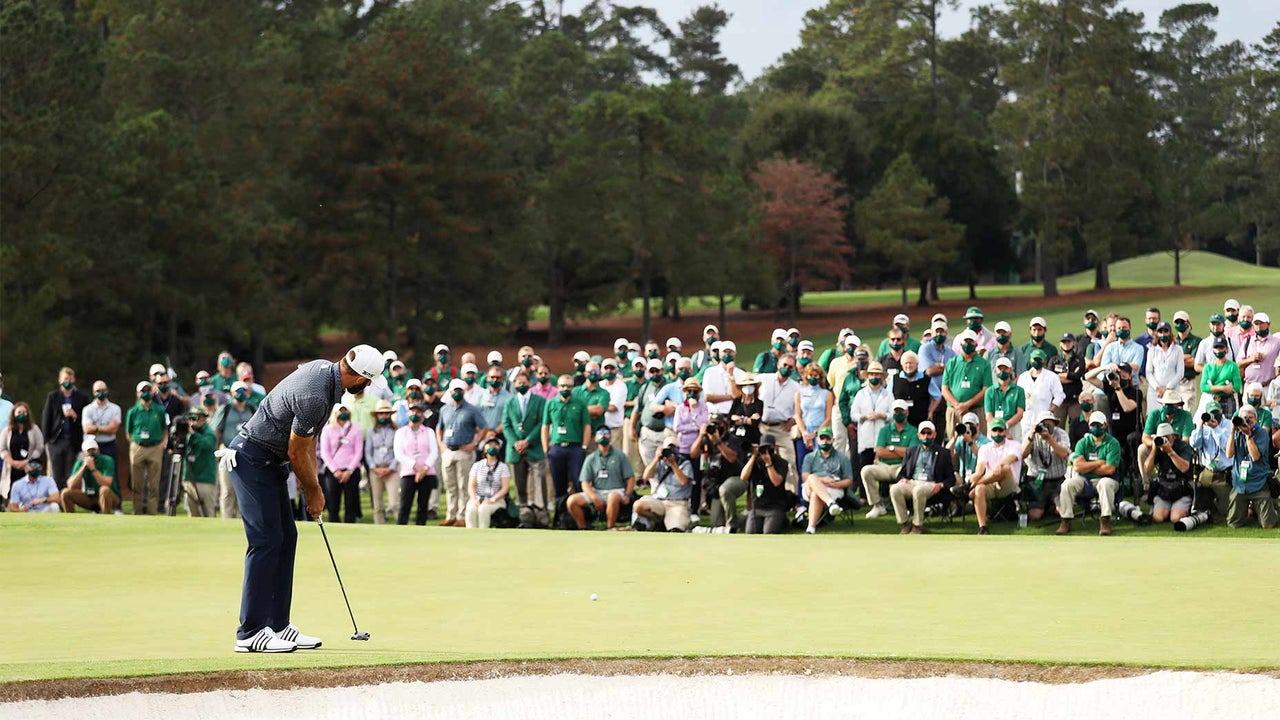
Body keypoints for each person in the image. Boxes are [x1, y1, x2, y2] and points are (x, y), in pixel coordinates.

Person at [221, 343, 386, 653]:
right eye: (368, 382)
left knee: (286, 538)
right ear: (358, 377)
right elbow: (297, 451)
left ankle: (278, 625)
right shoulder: (316, 395)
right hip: (252, 459)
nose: (366, 388)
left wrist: (314, 488)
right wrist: (314, 491)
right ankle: (250, 631)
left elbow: (305, 444)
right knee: (266, 541)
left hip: (269, 461)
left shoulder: (325, 373)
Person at [1058, 411, 1123, 536]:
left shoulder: (1113, 443)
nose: (1096, 428)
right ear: (1089, 426)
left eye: (1099, 425)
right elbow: (1077, 466)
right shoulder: (1083, 443)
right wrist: (1099, 463)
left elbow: (1109, 469)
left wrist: (1086, 466)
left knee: (1105, 483)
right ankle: (1066, 520)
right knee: (1067, 484)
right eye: (1093, 425)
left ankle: (1105, 520)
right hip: (1085, 480)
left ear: (1105, 425)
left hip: (1108, 479)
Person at [712, 373, 761, 529]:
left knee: (749, 479)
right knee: (715, 522)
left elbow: (755, 418)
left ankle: (743, 517)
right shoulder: (736, 403)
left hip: (749, 447)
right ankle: (740, 519)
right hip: (732, 449)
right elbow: (732, 417)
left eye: (751, 385)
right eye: (745, 385)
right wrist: (745, 419)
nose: (748, 388)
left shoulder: (758, 403)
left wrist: (743, 419)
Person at [889, 420, 955, 534]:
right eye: (923, 433)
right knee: (895, 489)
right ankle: (904, 523)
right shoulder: (911, 451)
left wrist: (941, 484)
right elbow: (902, 472)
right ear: (918, 435)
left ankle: (917, 525)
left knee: (919, 491)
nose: (926, 436)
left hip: (931, 483)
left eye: (929, 433)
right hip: (912, 482)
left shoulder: (943, 453)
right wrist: (902, 479)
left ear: (934, 434)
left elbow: (951, 477)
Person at [438, 378, 487, 526]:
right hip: (448, 451)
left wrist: (475, 443)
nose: (457, 393)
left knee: (463, 485)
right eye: (454, 391)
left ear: (463, 392)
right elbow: (439, 428)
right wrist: (441, 445)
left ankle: (462, 515)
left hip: (464, 451)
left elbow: (484, 428)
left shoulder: (472, 409)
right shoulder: (444, 409)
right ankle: (451, 515)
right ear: (450, 392)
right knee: (450, 485)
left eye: (460, 390)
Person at [503, 370, 550, 517]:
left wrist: (528, 441)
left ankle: (540, 512)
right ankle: (523, 514)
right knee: (519, 483)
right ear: (514, 384)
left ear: (529, 383)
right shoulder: (509, 402)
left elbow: (542, 422)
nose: (521, 385)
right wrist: (516, 442)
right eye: (519, 383)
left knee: (539, 481)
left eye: (524, 382)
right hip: (516, 450)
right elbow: (506, 424)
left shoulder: (540, 401)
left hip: (534, 447)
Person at [566, 427, 634, 530]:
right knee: (572, 501)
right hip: (597, 492)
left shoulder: (620, 456)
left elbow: (630, 478)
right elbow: (585, 482)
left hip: (616, 491)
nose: (603, 435)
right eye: (600, 433)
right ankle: (583, 528)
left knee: (613, 496)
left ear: (610, 436)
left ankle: (609, 527)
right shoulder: (591, 458)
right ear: (595, 438)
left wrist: (628, 495)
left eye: (606, 433)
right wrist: (594, 497)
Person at [860, 398, 918, 518]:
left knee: (909, 476)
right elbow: (879, 451)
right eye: (895, 411)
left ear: (907, 412)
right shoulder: (885, 430)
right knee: (866, 471)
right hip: (884, 466)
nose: (898, 414)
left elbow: (911, 453)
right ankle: (877, 505)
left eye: (901, 411)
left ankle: (905, 508)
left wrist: (891, 448)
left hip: (902, 466)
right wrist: (901, 451)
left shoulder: (913, 431)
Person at [964, 418, 1021, 535]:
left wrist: (998, 466)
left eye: (1000, 430)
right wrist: (975, 477)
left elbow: (1011, 459)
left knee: (1004, 468)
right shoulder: (985, 448)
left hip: (1009, 485)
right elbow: (980, 470)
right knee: (980, 488)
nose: (997, 433)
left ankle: (970, 486)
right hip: (990, 483)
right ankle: (983, 527)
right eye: (994, 430)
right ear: (990, 432)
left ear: (1005, 431)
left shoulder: (1014, 445)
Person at [1225, 403, 1277, 529]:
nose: (1247, 421)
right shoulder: (1236, 433)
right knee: (1234, 524)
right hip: (1240, 483)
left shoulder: (1262, 433)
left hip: (1259, 482)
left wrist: (1249, 435)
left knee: (1268, 525)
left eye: (1250, 418)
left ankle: (1272, 508)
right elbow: (1228, 454)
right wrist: (1232, 432)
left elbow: (1255, 457)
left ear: (1256, 419)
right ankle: (1250, 509)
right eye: (1244, 418)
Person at [543, 374, 591, 504]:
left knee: (578, 482)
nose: (566, 388)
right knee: (559, 484)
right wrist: (546, 448)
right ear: (558, 387)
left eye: (569, 386)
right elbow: (545, 426)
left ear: (573, 388)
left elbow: (586, 426)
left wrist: (584, 447)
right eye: (563, 386)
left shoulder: (580, 403)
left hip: (575, 447)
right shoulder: (551, 403)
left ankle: (582, 514)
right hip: (557, 447)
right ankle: (560, 516)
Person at [212, 381, 257, 519]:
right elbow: (217, 430)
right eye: (237, 391)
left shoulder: (251, 409)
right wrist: (217, 448)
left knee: (244, 489)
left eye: (243, 390)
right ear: (231, 393)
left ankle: (242, 518)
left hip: (246, 453)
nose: (240, 394)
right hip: (227, 450)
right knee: (227, 490)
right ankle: (227, 519)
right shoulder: (225, 409)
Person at [40, 366, 90, 488]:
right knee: (56, 474)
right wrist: (47, 441)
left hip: (73, 441)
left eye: (70, 378)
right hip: (56, 441)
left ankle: (67, 501)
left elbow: (86, 419)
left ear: (74, 380)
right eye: (65, 378)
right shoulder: (53, 397)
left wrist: (75, 416)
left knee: (70, 473)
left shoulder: (82, 398)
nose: (68, 381)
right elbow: (46, 419)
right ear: (60, 380)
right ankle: (57, 501)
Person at [757, 353, 801, 491]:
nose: (787, 368)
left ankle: (791, 497)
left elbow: (802, 409)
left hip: (781, 428)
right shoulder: (763, 379)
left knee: (790, 461)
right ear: (778, 365)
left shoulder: (796, 387)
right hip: (762, 426)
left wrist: (793, 420)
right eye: (784, 365)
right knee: (758, 460)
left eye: (790, 367)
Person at [799, 426, 854, 534]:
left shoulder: (842, 457)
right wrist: (822, 480)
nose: (825, 441)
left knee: (816, 494)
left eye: (828, 438)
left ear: (833, 440)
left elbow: (849, 480)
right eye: (822, 438)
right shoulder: (809, 457)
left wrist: (834, 484)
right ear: (817, 440)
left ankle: (811, 528)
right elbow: (805, 477)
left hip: (834, 487)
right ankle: (831, 503)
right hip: (809, 487)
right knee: (811, 477)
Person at [1137, 390, 1194, 490]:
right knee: (1141, 449)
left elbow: (1186, 440)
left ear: (1177, 404)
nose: (1168, 406)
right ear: (1162, 403)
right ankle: (1147, 485)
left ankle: (1180, 481)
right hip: (1157, 447)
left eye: (1172, 404)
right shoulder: (1154, 414)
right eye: (1166, 404)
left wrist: (1170, 445)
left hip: (1177, 447)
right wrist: (1156, 444)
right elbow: (1145, 437)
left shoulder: (1186, 416)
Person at [126, 381, 169, 515]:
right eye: (143, 391)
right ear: (138, 393)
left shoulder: (159, 410)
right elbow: (128, 432)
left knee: (153, 485)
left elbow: (165, 430)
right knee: (137, 484)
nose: (146, 393)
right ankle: (137, 512)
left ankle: (152, 512)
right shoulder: (133, 411)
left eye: (148, 390)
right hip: (138, 447)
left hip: (155, 447)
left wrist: (163, 443)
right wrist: (135, 444)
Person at [1021, 410, 1071, 522]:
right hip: (1036, 481)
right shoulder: (1031, 434)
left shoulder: (1061, 433)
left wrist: (1050, 439)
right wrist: (1031, 437)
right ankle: (1046, 504)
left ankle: (1052, 505)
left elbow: (1063, 453)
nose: (1046, 427)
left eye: (1049, 424)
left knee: (1063, 512)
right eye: (1043, 424)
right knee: (1035, 515)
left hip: (1057, 480)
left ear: (1054, 424)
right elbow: (1022, 455)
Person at [318, 402, 363, 524]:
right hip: (333, 471)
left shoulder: (356, 429)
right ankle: (334, 525)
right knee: (333, 503)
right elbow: (324, 452)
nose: (343, 414)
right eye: (340, 411)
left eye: (345, 411)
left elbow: (358, 452)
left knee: (351, 502)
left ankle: (351, 524)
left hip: (351, 471)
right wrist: (335, 470)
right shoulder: (327, 430)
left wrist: (349, 470)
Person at [1141, 422, 1195, 525]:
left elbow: (1184, 468)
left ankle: (1180, 510)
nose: (1164, 440)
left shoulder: (1183, 446)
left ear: (1173, 437)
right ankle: (1165, 509)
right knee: (1158, 518)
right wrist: (1153, 450)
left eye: (1166, 437)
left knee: (1175, 518)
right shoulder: (1158, 448)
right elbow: (1147, 469)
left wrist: (1170, 451)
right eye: (1161, 438)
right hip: (1164, 489)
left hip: (1182, 489)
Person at [395, 402, 439, 526]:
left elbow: (434, 452)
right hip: (408, 472)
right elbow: (399, 454)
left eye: (418, 412)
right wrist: (415, 466)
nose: (415, 414)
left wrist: (424, 469)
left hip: (427, 473)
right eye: (413, 411)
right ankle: (400, 531)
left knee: (423, 506)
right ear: (408, 413)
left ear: (422, 415)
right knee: (405, 505)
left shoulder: (429, 431)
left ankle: (421, 531)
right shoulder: (401, 432)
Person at [634, 440, 695, 531]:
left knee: (676, 529)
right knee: (638, 505)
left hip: (677, 503)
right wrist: (656, 458)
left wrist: (673, 464)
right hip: (659, 501)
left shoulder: (685, 464)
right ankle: (657, 521)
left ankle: (665, 523)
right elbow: (646, 477)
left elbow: (683, 481)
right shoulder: (660, 463)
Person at [943, 329, 993, 437]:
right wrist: (957, 405)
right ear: (961, 343)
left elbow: (986, 389)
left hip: (976, 410)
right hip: (954, 410)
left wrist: (967, 404)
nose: (968, 344)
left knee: (977, 441)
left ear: (976, 344)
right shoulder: (952, 363)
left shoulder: (984, 364)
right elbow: (945, 388)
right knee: (954, 442)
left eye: (971, 341)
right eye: (966, 341)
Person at [1189, 401, 1232, 517]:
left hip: (1223, 474)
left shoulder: (1229, 425)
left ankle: (1218, 505)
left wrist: (1216, 428)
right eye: (1210, 414)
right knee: (1198, 498)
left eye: (1216, 413)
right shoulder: (1204, 426)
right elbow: (1194, 444)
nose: (1213, 416)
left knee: (1225, 511)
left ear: (1221, 412)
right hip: (1207, 472)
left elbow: (1225, 446)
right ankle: (1208, 507)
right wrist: (1200, 427)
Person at [741, 434, 789, 534]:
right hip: (757, 506)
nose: (766, 451)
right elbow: (743, 477)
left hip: (774, 506)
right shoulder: (755, 462)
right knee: (751, 532)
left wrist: (769, 464)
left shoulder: (781, 462)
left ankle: (783, 520)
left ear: (774, 447)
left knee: (769, 532)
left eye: (769, 447)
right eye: (763, 448)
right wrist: (754, 456)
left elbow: (776, 482)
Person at [1, 403, 45, 507]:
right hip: (11, 468)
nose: (22, 414)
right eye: (19, 412)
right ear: (14, 414)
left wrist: (27, 461)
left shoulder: (34, 429)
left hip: (28, 466)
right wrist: (12, 462)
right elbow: (2, 449)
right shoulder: (7, 430)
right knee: (10, 494)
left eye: (24, 412)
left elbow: (39, 447)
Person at [61, 438, 120, 514]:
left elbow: (107, 483)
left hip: (109, 497)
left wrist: (93, 469)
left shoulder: (107, 460)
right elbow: (70, 485)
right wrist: (82, 468)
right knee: (65, 493)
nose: (92, 453)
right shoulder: (80, 463)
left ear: (98, 451)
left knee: (104, 490)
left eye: (94, 450)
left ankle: (105, 517)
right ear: (84, 453)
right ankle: (70, 519)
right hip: (89, 496)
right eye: (89, 451)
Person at [794, 364, 834, 473]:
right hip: (804, 432)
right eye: (810, 375)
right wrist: (804, 433)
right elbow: (797, 414)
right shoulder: (799, 393)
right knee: (802, 466)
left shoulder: (827, 394)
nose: (813, 377)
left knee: (820, 465)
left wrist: (815, 434)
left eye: (815, 375)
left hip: (820, 431)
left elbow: (828, 417)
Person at [630, 359, 670, 468]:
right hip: (647, 432)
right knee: (649, 463)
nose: (655, 374)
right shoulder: (645, 387)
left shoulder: (670, 386)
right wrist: (632, 427)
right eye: (652, 371)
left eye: (657, 371)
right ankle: (653, 484)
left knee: (667, 463)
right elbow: (637, 409)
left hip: (665, 431)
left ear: (662, 370)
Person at [364, 400, 399, 524]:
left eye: (386, 413)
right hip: (376, 469)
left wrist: (391, 468)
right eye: (381, 413)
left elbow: (398, 451)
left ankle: (400, 527)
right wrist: (374, 467)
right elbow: (368, 452)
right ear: (377, 415)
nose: (384, 416)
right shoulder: (371, 431)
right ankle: (379, 528)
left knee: (395, 503)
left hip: (392, 469)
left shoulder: (396, 430)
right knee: (378, 505)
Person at [1017, 349, 1065, 439]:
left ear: (1044, 361)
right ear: (1030, 360)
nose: (1037, 362)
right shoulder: (1023, 377)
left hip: (1043, 415)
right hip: (1026, 417)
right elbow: (1018, 396)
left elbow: (1060, 395)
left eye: (1039, 360)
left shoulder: (1051, 376)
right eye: (1035, 360)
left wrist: (1051, 411)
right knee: (1025, 441)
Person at [180, 406, 218, 518]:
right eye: (190, 418)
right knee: (192, 512)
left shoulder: (209, 433)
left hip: (204, 479)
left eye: (195, 418)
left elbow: (206, 445)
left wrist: (193, 435)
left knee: (207, 512)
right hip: (189, 477)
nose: (192, 421)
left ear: (203, 419)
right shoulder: (186, 433)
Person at [465, 437, 511, 528]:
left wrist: (492, 500)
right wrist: (474, 499)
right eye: (490, 445)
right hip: (478, 498)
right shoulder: (477, 465)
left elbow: (505, 488)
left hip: (496, 500)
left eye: (495, 445)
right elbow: (471, 485)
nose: (492, 447)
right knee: (471, 509)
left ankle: (483, 535)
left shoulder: (503, 467)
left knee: (483, 509)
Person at [81, 381, 122, 475]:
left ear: (107, 391)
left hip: (109, 446)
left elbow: (113, 429)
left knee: (111, 473)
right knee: (92, 473)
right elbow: (87, 429)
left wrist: (95, 428)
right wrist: (106, 427)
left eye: (103, 390)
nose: (101, 393)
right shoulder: (87, 409)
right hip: (92, 446)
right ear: (93, 392)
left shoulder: (115, 408)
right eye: (98, 391)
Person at [1144, 321, 1183, 412]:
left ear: (1170, 333)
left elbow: (1180, 372)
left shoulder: (1178, 349)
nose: (1163, 334)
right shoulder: (1152, 350)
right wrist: (1157, 387)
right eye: (1160, 332)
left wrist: (1167, 388)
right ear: (1157, 333)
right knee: (1155, 417)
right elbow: (1149, 372)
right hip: (1155, 392)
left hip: (1172, 390)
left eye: (1166, 331)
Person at [1199, 336, 1242, 420]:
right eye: (1216, 348)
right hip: (1212, 399)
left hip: (1228, 399)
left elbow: (1237, 386)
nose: (1219, 350)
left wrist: (1213, 387)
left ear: (1227, 349)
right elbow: (1203, 387)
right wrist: (1222, 388)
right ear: (1213, 350)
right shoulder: (1208, 367)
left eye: (1221, 348)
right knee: (1211, 423)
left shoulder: (1232, 366)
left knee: (1228, 424)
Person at [986, 357, 1027, 442]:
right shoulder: (990, 391)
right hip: (994, 427)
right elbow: (989, 415)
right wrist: (999, 427)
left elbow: (1020, 413)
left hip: (1013, 427)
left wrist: (1006, 426)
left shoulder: (1019, 390)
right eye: (1000, 369)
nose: (1002, 371)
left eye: (1005, 368)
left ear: (1011, 370)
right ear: (995, 371)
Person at [1050, 333, 1086, 424]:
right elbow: (1051, 376)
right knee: (1057, 427)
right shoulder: (1054, 360)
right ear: (1060, 344)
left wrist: (1060, 375)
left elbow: (1078, 376)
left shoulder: (1079, 359)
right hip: (1058, 400)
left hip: (1074, 399)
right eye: (1063, 342)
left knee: (1076, 425)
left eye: (1068, 341)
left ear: (1074, 343)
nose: (1066, 344)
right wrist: (1071, 376)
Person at [1239, 312, 1278, 387]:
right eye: (1256, 324)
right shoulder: (1247, 341)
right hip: (1249, 385)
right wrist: (1251, 359)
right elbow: (1239, 364)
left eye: (1262, 323)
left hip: (1268, 386)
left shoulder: (1276, 342)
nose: (1259, 326)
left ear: (1268, 324)